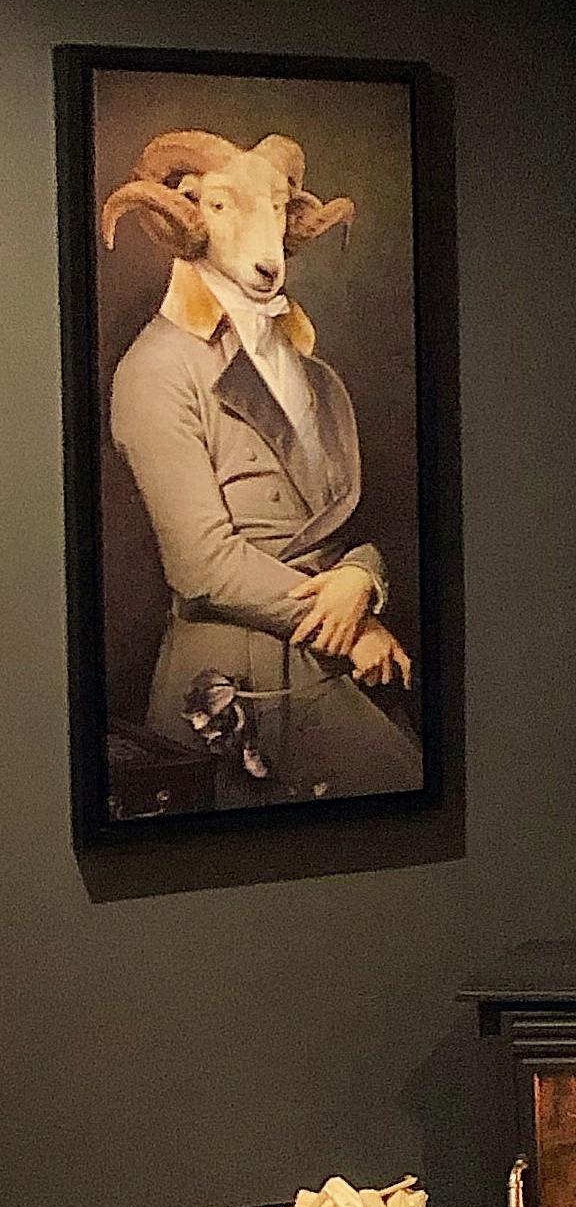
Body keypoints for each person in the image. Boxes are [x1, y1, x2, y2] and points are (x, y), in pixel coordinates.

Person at [100, 129, 420, 808]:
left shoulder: (313, 373)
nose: (261, 234)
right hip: (238, 677)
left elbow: (337, 525)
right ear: (188, 212)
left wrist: (363, 578)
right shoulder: (155, 370)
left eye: (274, 207)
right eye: (225, 206)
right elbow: (201, 563)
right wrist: (355, 626)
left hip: (324, 659)